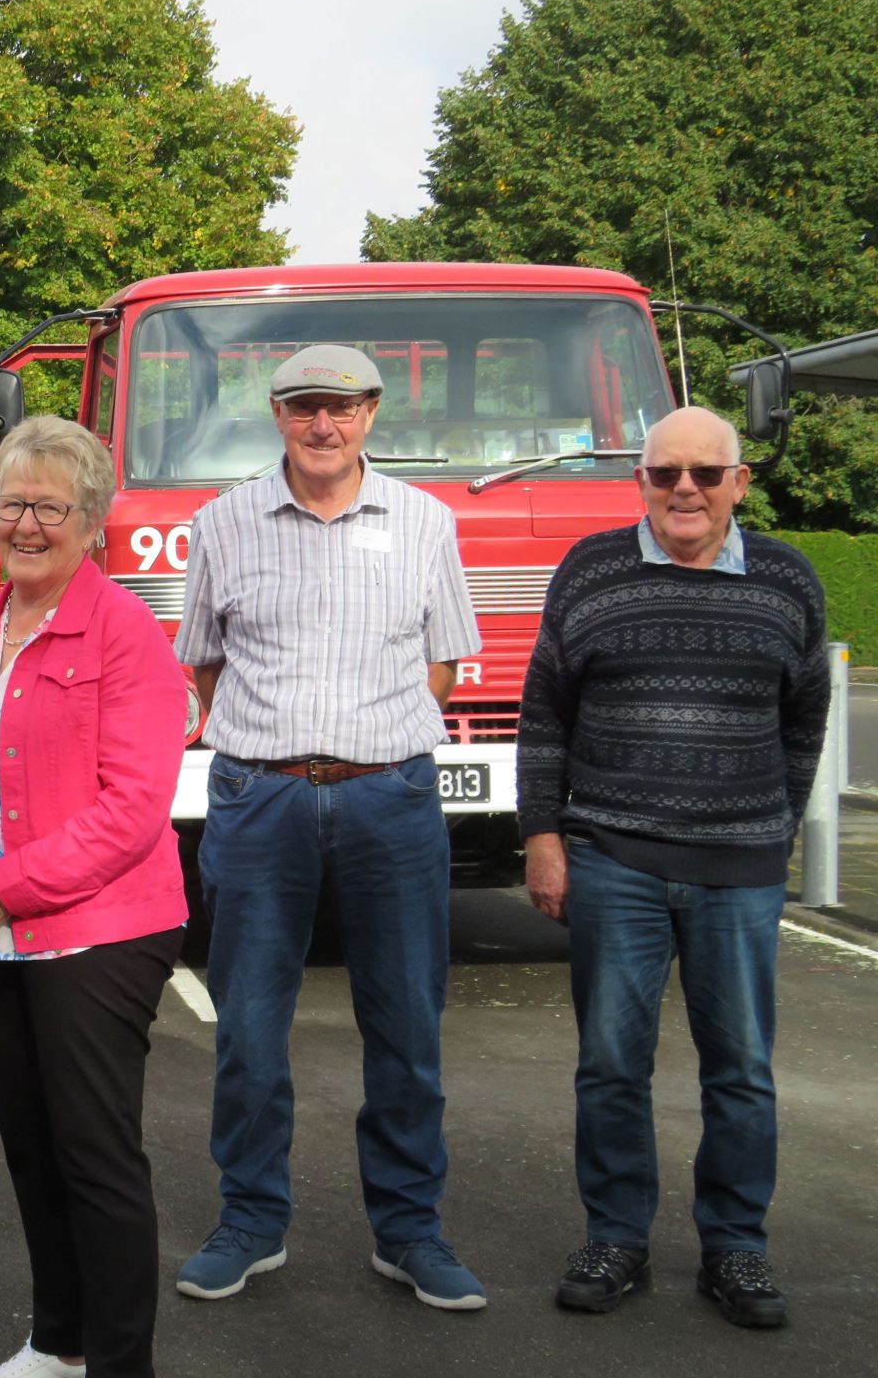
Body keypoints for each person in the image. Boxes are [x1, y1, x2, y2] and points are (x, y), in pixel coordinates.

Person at [173, 344, 488, 1312]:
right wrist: (284, 743)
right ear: (275, 414)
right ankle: (249, 1222)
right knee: (249, 1030)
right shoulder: (221, 523)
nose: (323, 425)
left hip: (387, 797)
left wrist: (364, 737)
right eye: (304, 407)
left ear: (370, 413)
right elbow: (204, 665)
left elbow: (442, 662)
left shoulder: (424, 522)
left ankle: (408, 1232)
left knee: (402, 1025)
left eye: (341, 408)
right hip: (258, 798)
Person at [519, 405, 829, 1329]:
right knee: (612, 1066)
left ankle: (736, 1250)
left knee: (740, 1070)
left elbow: (805, 721)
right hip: (613, 861)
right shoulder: (591, 570)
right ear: (640, 482)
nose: (683, 489)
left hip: (740, 868)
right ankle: (616, 1237)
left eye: (703, 473)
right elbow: (546, 711)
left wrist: (770, 832)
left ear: (740, 482)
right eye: (664, 474)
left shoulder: (788, 579)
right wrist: (543, 836)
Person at [0, 416, 190, 1378]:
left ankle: (121, 1366)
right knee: (33, 1150)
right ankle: (59, 1343)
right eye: (10, 504)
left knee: (96, 1161)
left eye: (48, 506)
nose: (24, 524)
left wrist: (6, 886)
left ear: (91, 523)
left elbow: (133, 811)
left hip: (100, 935)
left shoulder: (127, 634)